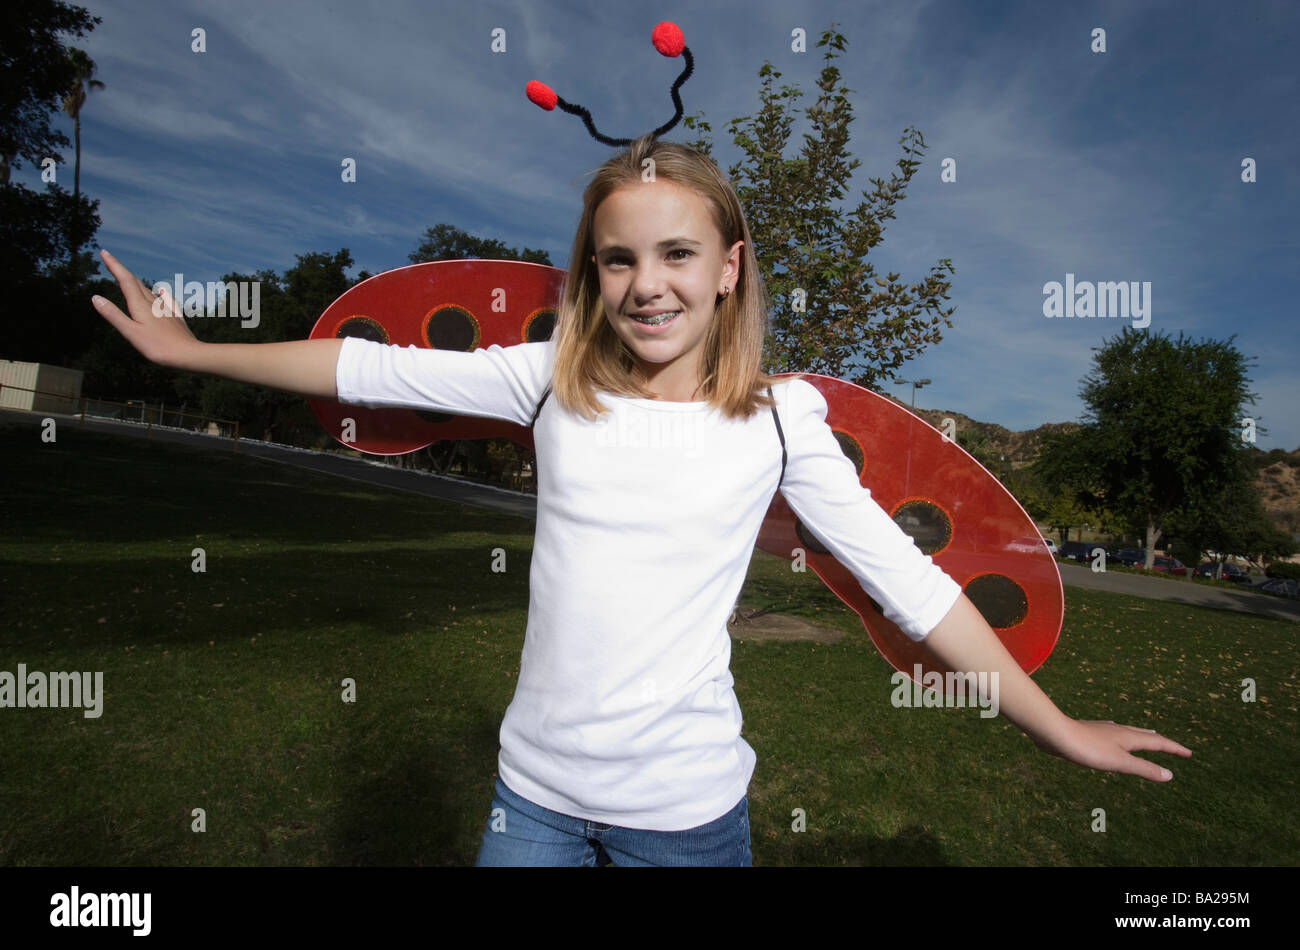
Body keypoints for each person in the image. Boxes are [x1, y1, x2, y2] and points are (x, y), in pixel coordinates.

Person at [91, 134, 1191, 868]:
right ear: (592, 272)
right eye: (617, 258)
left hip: (687, 816)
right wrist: (199, 352)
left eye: (676, 251)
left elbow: (915, 588)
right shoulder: (549, 381)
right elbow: (358, 371)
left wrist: (1057, 729)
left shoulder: (780, 422)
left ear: (728, 267)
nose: (646, 281)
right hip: (531, 803)